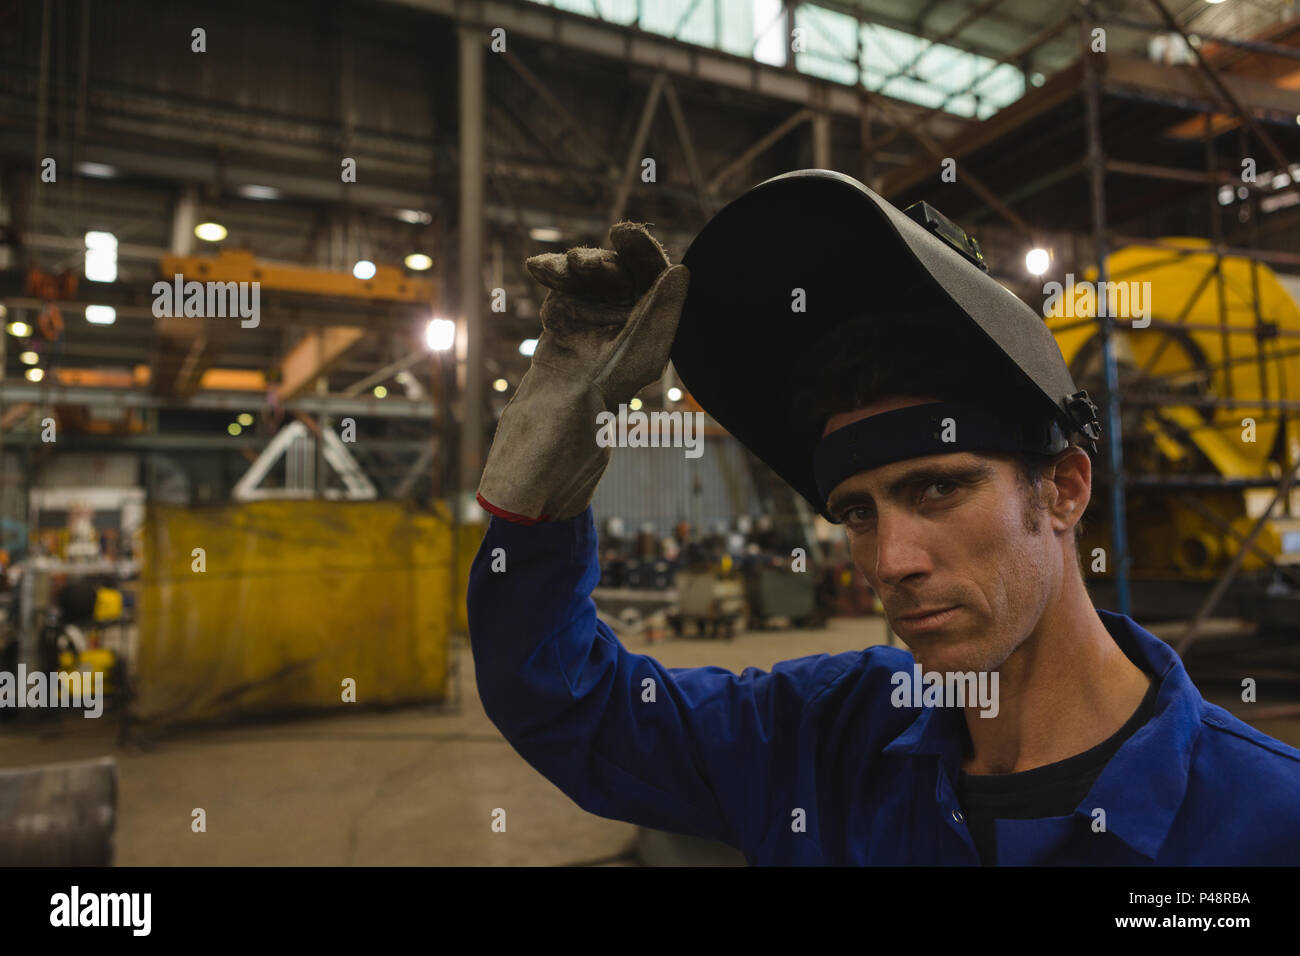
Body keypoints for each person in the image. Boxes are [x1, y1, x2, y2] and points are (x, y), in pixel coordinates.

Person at [467, 170, 1300, 865]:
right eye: (856, 511)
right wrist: (541, 493)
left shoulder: (1263, 820)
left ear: (1063, 490)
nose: (889, 561)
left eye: (938, 489)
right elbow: (570, 705)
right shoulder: (822, 739)